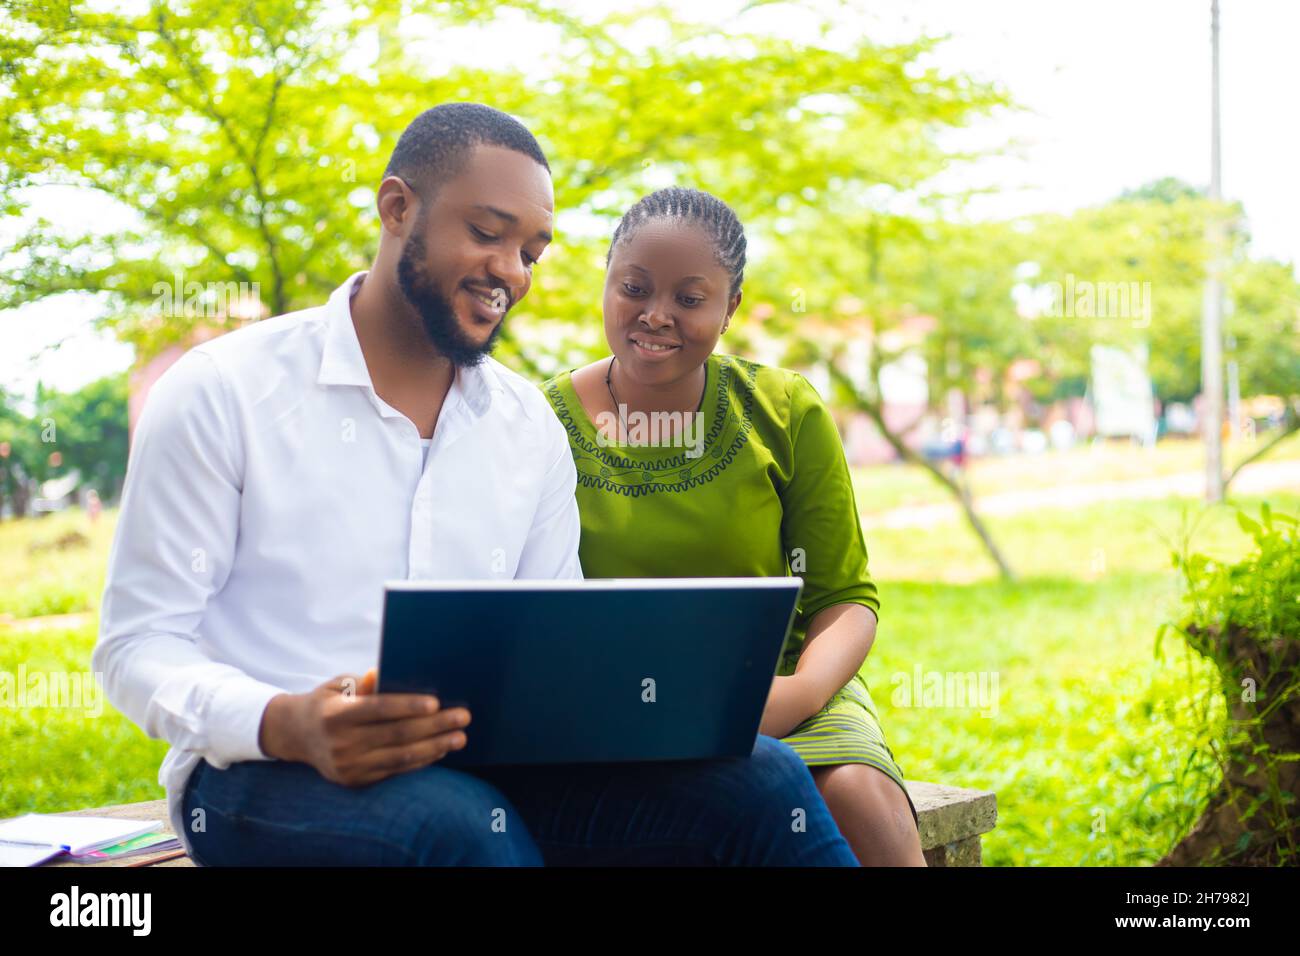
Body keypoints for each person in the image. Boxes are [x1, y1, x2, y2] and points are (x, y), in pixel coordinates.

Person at [94, 105, 856, 866]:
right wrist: (286, 721)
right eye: (488, 235)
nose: (512, 273)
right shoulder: (222, 391)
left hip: (487, 765)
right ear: (398, 208)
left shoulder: (527, 425)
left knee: (762, 782)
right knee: (456, 827)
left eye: (532, 250)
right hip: (258, 772)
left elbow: (556, 638)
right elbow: (137, 644)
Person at [542, 186, 926, 865]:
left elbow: (845, 598)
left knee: (856, 795)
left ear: (730, 309)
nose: (655, 316)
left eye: (690, 299)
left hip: (782, 684)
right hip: (610, 706)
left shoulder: (784, 412)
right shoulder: (536, 422)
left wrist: (793, 695)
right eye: (634, 287)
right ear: (605, 281)